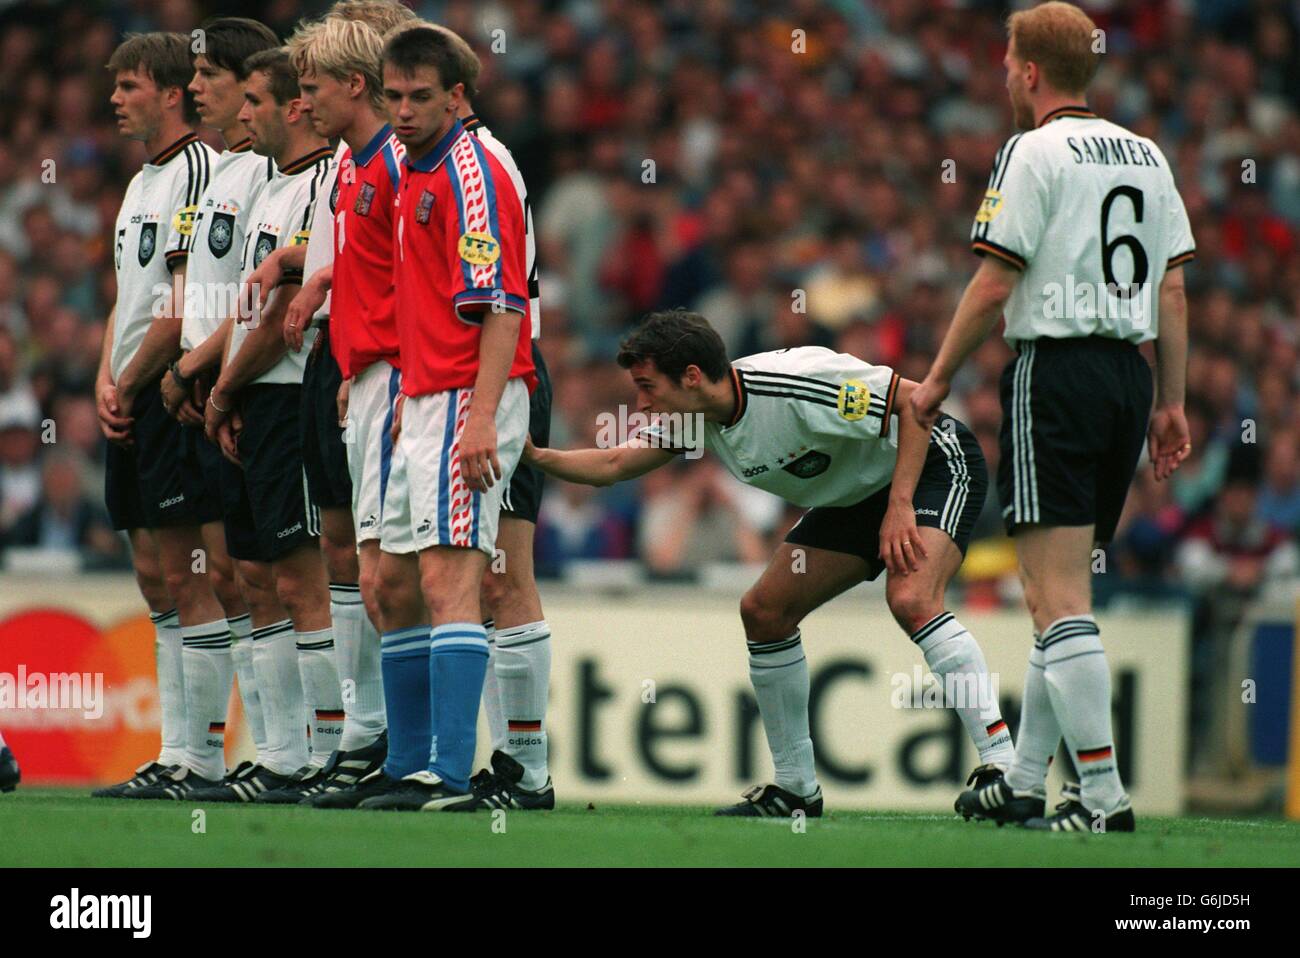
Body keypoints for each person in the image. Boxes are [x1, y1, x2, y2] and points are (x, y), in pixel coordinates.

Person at [524, 309, 1014, 818]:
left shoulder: (795, 382)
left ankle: (1004, 766)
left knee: (911, 596)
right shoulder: (696, 418)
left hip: (932, 463)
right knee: (764, 612)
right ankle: (796, 788)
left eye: (648, 387)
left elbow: (917, 403)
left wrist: (901, 505)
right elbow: (614, 463)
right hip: (855, 497)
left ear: (691, 376)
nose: (642, 403)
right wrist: (535, 456)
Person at [911, 1, 1195, 832]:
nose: (1003, 77)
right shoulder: (1147, 155)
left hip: (1057, 373)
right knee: (1056, 591)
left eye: (1006, 64)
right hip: (1128, 377)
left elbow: (996, 280)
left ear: (1030, 71)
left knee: (1056, 597)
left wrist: (935, 379)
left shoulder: (1031, 150)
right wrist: (1171, 401)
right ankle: (1026, 782)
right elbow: (1173, 287)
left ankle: (1103, 798)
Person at [348, 25, 536, 811]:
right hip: (420, 393)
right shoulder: (407, 167)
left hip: (469, 391)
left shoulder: (472, 171)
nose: (401, 111)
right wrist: (402, 397)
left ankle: (449, 774)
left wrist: (483, 418)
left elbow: (500, 304)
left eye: (420, 97)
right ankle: (409, 760)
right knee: (395, 580)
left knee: (449, 574)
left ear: (458, 97)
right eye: (392, 95)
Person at [141, 16, 282, 801]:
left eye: (209, 77)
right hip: (204, 388)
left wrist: (201, 366)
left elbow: (261, 293)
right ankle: (216, 758)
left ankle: (277, 753)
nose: (196, 89)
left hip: (240, 387)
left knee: (251, 576)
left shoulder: (267, 173)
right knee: (229, 576)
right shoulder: (227, 171)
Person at [192, 48, 337, 802]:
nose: (241, 114)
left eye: (254, 100)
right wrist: (225, 389)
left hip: (286, 392)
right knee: (256, 577)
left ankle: (328, 751)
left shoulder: (322, 184)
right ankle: (282, 753)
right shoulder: (270, 188)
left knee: (302, 578)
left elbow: (283, 311)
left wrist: (221, 388)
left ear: (294, 108)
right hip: (252, 394)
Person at [93, 32, 229, 799]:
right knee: (153, 574)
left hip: (172, 392)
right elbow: (128, 298)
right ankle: (174, 752)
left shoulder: (197, 171)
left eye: (130, 85)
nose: (116, 98)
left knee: (195, 570)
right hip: (132, 393)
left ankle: (203, 759)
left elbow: (184, 304)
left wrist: (138, 379)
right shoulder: (139, 181)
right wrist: (103, 380)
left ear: (172, 93)